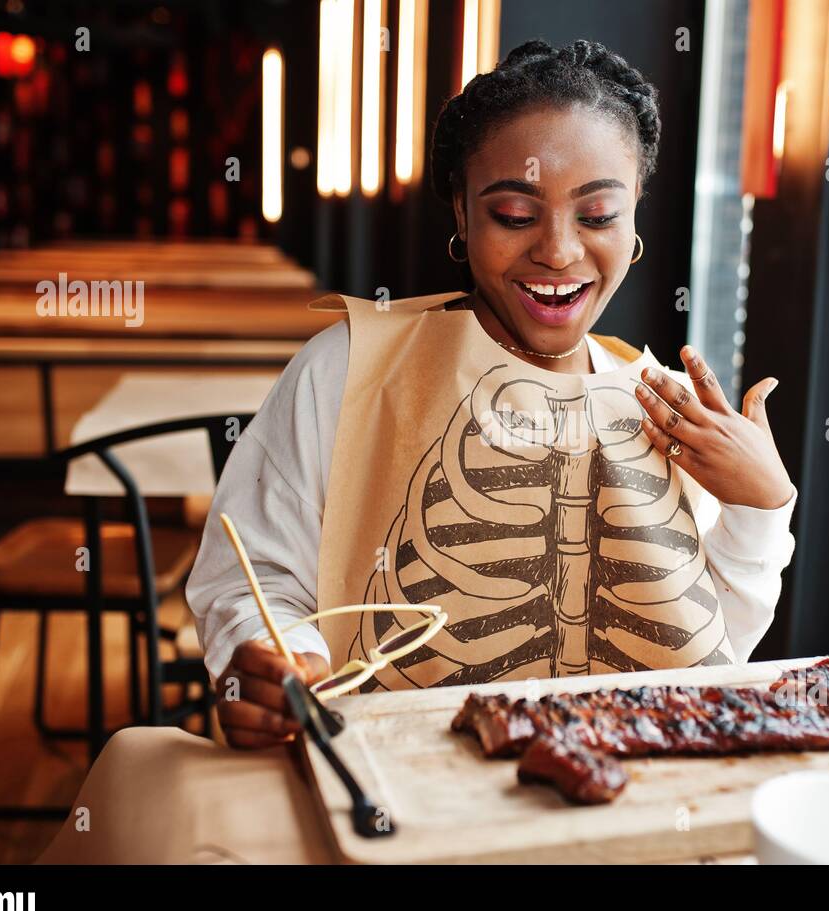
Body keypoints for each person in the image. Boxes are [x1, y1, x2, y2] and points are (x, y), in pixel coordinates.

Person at [187, 39, 797, 749]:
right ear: (461, 211)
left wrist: (762, 507)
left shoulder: (660, 406)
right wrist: (270, 657)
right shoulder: (347, 369)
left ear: (634, 221)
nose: (559, 251)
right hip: (385, 790)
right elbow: (251, 577)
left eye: (598, 215)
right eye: (514, 213)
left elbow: (703, 661)